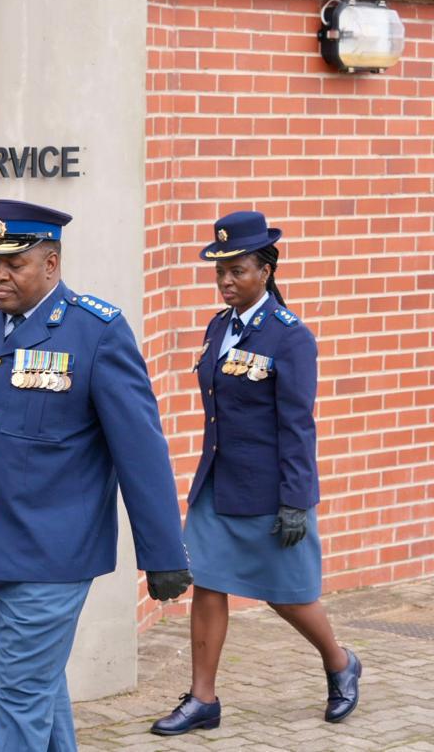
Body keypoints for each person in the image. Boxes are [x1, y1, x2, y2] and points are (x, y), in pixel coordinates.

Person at [0, 199, 193, 752]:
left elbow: (140, 451)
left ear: (51, 263)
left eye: (15, 263)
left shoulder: (95, 331)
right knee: (25, 688)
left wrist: (164, 554)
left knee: (21, 694)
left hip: (52, 552)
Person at [150, 210, 361, 736]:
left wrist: (295, 500)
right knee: (209, 582)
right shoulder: (218, 325)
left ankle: (339, 662)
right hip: (217, 482)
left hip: (270, 491)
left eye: (237, 270)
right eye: (220, 271)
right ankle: (203, 699)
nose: (226, 281)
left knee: (287, 594)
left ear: (265, 270)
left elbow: (298, 425)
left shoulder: (290, 338)